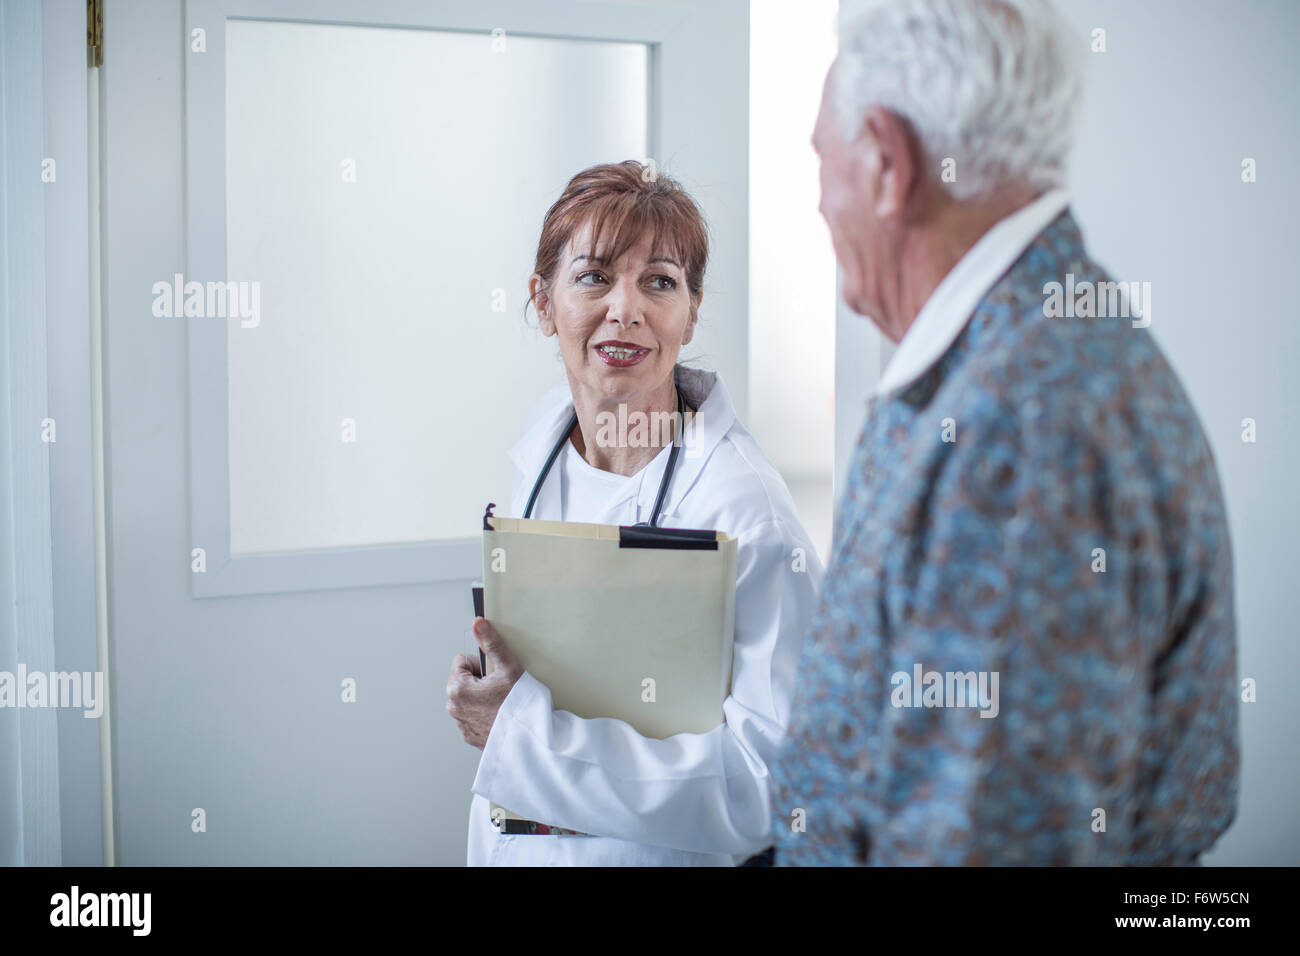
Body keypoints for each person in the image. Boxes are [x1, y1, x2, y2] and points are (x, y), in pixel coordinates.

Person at [769, 0, 1239, 864]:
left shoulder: (1012, 438)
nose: (818, 200)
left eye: (820, 161)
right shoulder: (1031, 356)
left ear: (884, 163)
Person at [446, 160, 824, 866]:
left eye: (660, 281)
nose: (627, 308)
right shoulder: (539, 463)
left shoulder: (747, 511)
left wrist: (520, 735)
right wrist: (491, 700)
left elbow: (773, 784)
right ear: (542, 300)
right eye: (593, 276)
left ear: (692, 310)